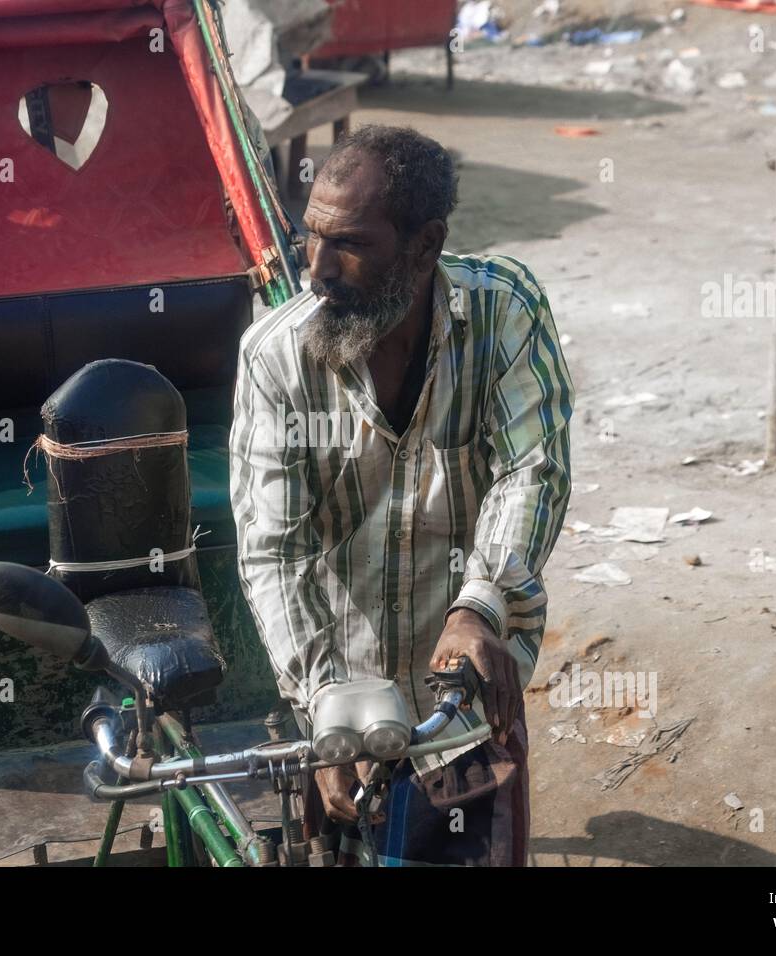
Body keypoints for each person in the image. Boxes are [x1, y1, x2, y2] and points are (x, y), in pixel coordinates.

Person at [229, 124, 573, 865]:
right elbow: (274, 549)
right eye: (310, 238)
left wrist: (480, 603)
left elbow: (532, 469)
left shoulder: (503, 313)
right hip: (337, 675)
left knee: (470, 847)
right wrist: (325, 706)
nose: (317, 271)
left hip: (466, 691)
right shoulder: (276, 355)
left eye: (350, 244)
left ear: (425, 246)